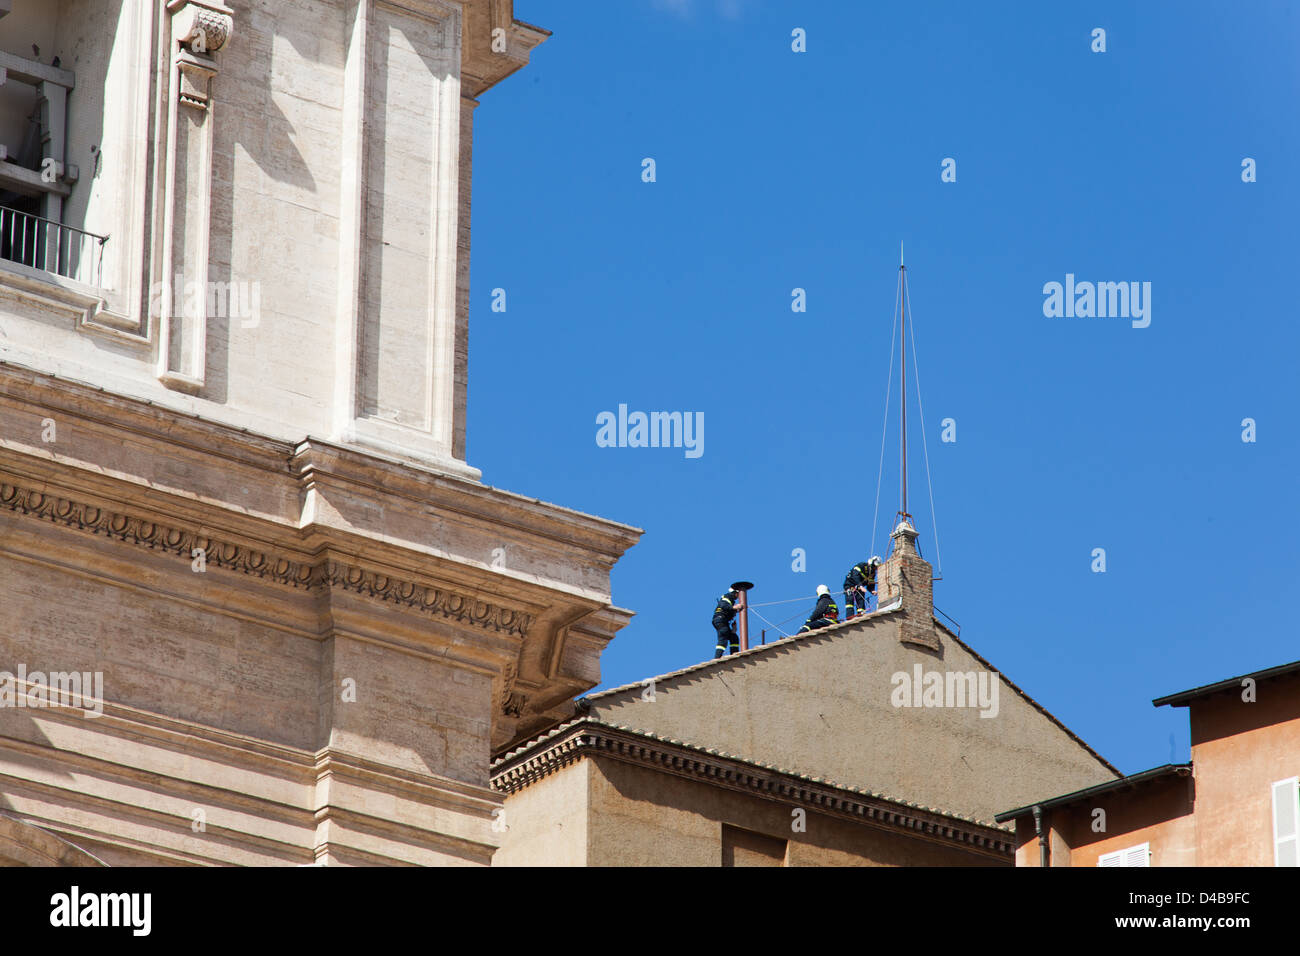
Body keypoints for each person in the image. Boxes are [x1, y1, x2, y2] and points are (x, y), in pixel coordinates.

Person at [712, 587, 741, 658]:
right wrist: (734, 608)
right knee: (723, 636)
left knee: (734, 637)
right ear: (735, 593)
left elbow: (729, 609)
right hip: (720, 619)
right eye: (738, 594)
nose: (739, 596)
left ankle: (734, 656)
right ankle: (717, 658)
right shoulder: (727, 597)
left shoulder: (731, 601)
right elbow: (723, 605)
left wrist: (733, 629)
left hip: (724, 621)